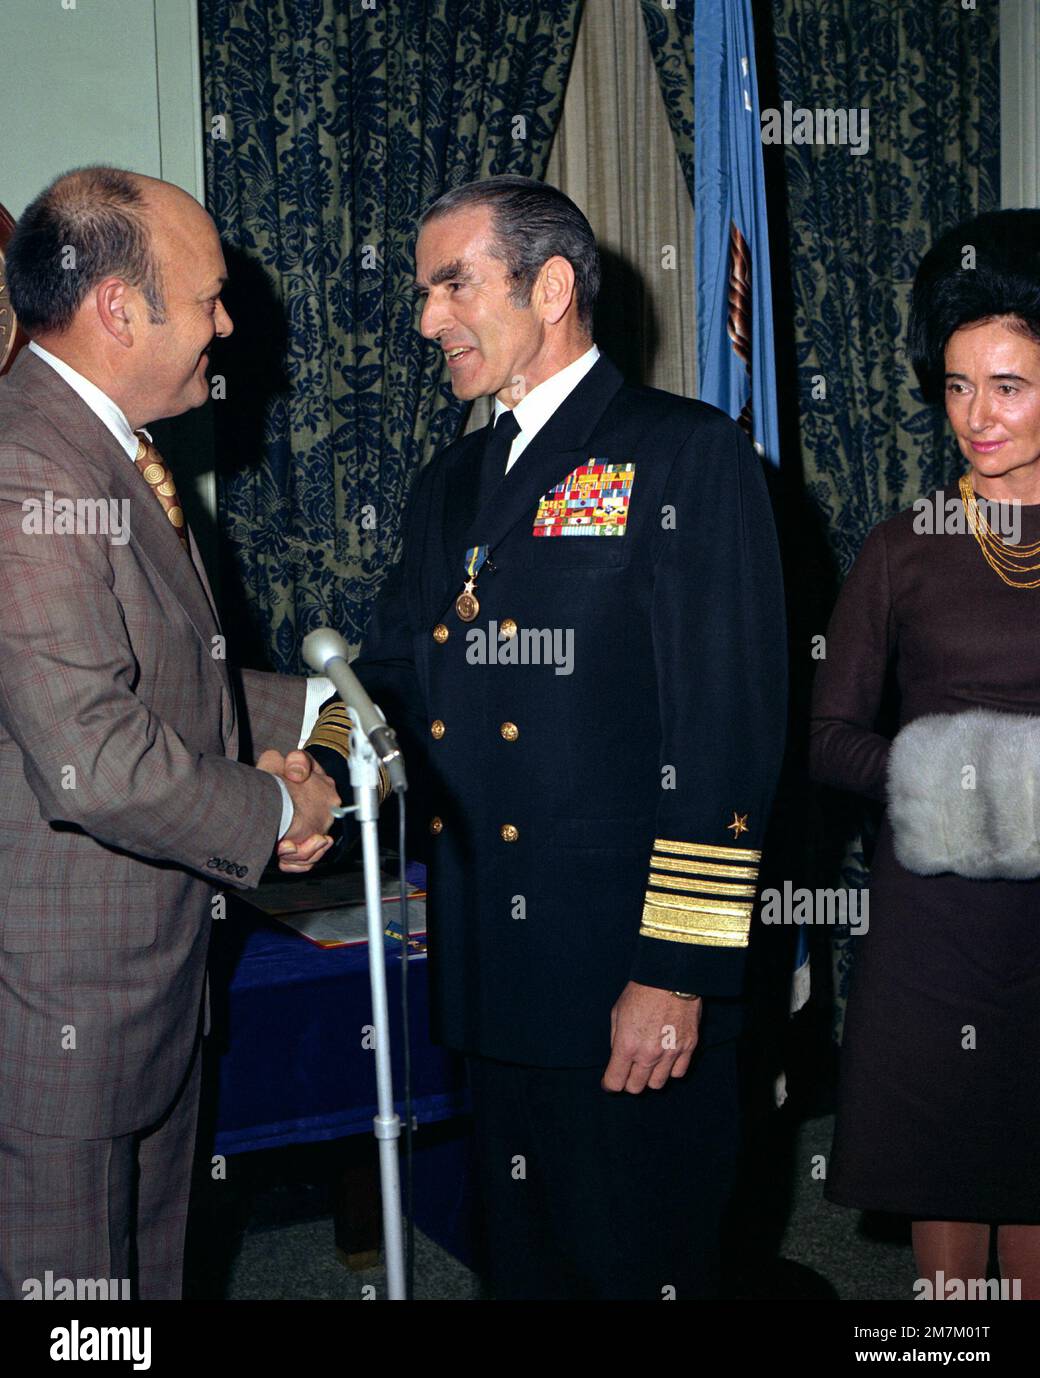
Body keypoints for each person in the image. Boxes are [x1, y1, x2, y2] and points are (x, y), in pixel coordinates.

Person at [303, 175, 787, 1298]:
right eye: (425, 292)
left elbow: (725, 731)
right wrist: (319, 770)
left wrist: (671, 971)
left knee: (636, 1260)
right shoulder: (450, 482)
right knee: (520, 1262)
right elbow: (382, 670)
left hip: (624, 965)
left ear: (551, 285)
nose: (426, 319)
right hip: (490, 963)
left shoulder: (682, 455)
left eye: (451, 285)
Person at [0, 167, 341, 1300]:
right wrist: (276, 807)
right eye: (209, 299)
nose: (228, 325)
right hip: (61, 1014)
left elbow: (163, 681)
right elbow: (93, 755)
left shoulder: (104, 447)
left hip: (140, 994)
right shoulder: (27, 469)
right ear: (118, 310)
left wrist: (339, 713)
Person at [811, 209, 1040, 1299]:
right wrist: (961, 777)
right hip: (934, 923)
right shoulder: (900, 548)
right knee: (942, 1175)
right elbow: (826, 738)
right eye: (955, 387)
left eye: (1005, 385)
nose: (974, 417)